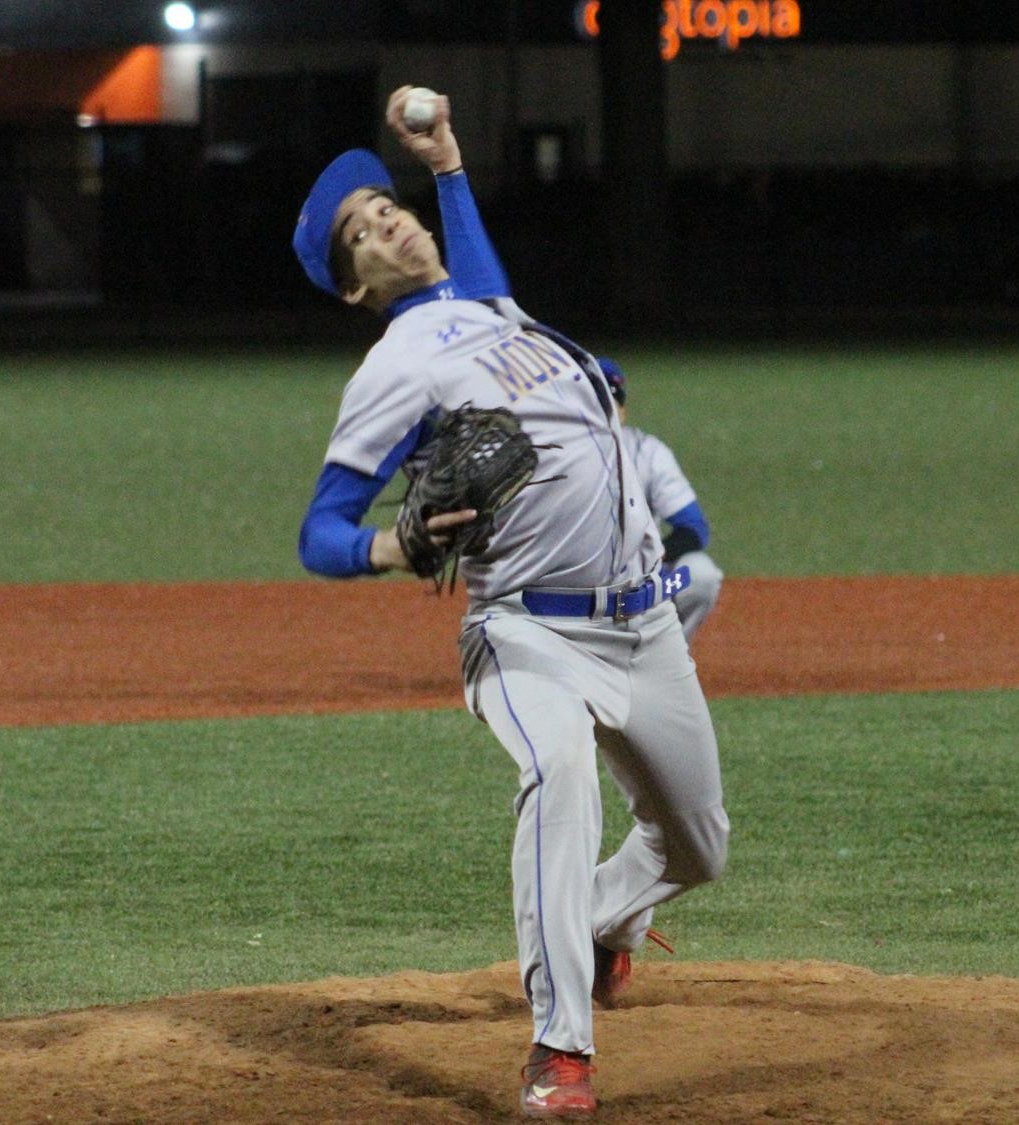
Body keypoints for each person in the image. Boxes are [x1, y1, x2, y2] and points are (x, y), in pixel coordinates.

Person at [293, 88, 730, 1119]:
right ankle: (557, 1054)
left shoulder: (491, 312)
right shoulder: (394, 366)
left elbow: (473, 267)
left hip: (643, 624)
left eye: (384, 205)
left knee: (697, 844)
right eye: (359, 233)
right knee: (561, 778)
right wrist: (389, 546)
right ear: (353, 287)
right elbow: (319, 531)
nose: (383, 223)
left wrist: (445, 165)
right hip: (527, 631)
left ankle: (591, 928)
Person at [592, 356, 724, 643]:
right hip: (579, 594)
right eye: (594, 406)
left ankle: (668, 654)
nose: (603, 416)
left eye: (609, 407)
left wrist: (650, 565)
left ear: (623, 412)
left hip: (640, 590)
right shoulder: (554, 458)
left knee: (698, 576)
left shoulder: (648, 453)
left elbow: (693, 528)